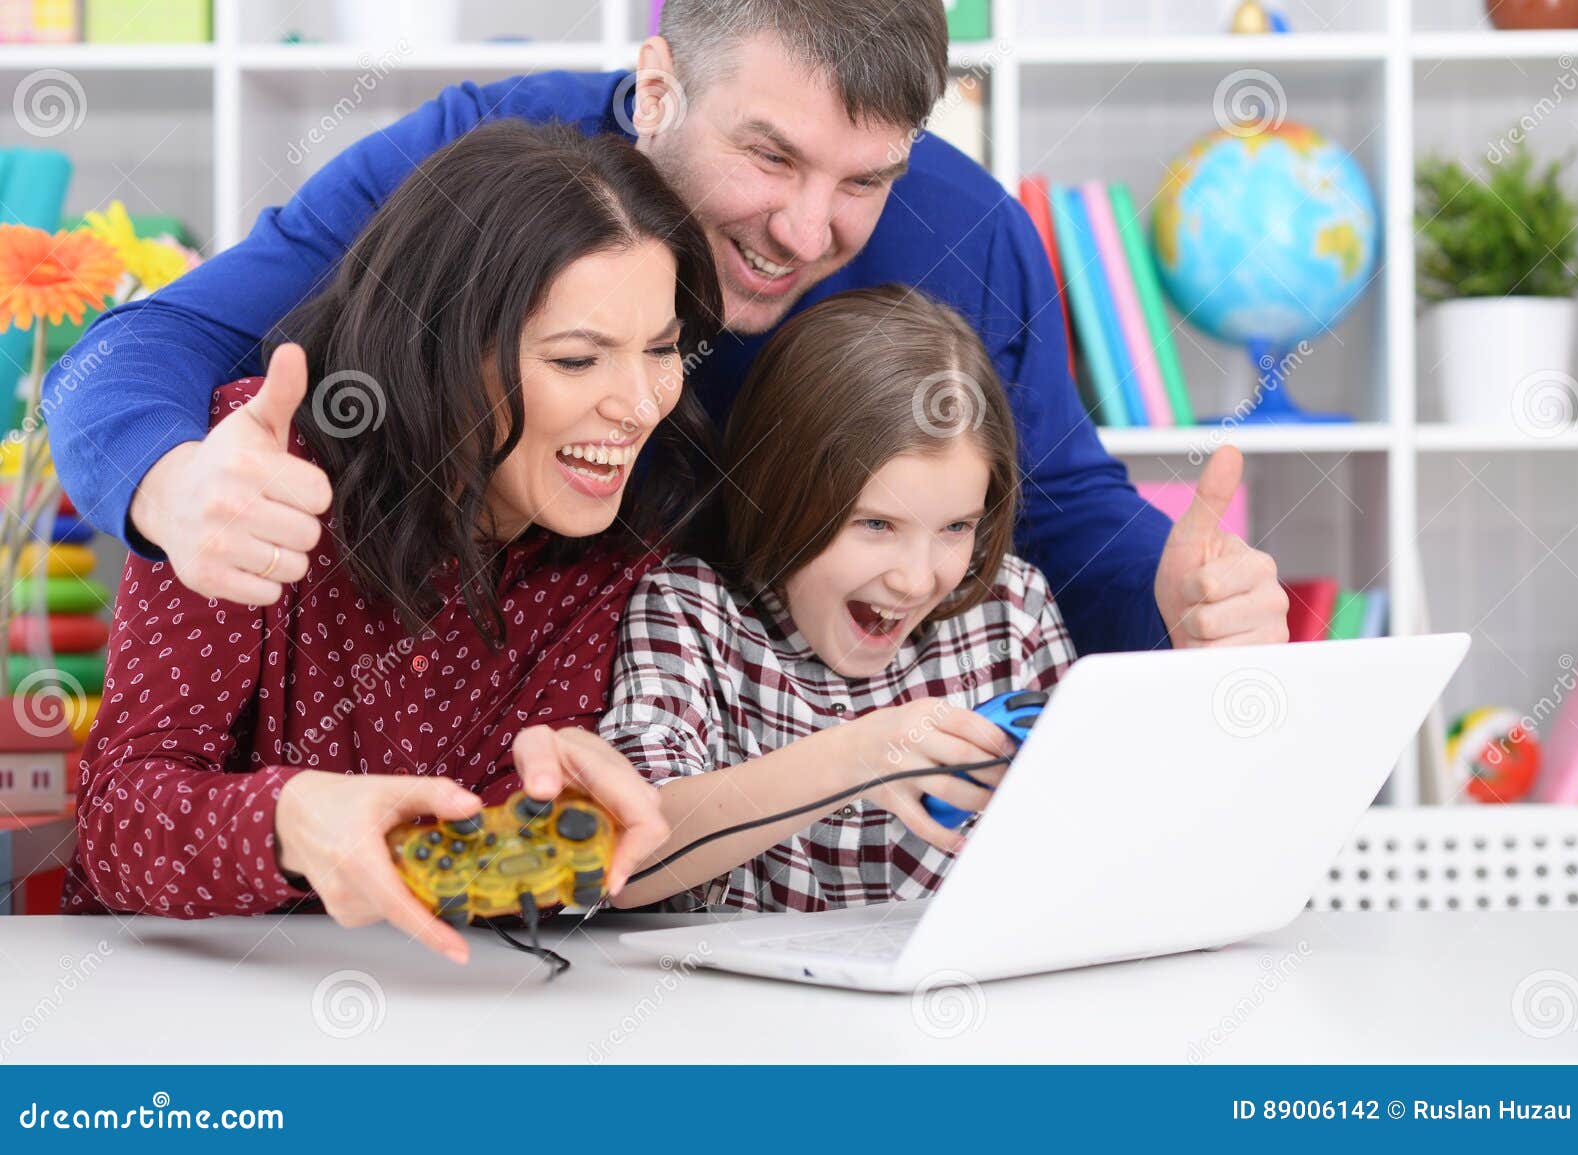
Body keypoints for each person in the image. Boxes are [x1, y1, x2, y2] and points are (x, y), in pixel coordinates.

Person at [45, 0, 1288, 661]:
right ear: (656, 86)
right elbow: (141, 346)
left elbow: (1061, 510)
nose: (809, 231)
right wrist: (166, 481)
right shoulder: (474, 171)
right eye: (769, 155)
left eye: (867, 179)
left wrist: (1170, 593)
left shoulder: (968, 234)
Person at [61, 121, 723, 963]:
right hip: (171, 1004)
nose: (637, 405)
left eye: (661, 349)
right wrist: (289, 821)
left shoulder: (616, 533)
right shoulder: (253, 473)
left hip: (436, 1015)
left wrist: (556, 814)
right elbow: (118, 823)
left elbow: (493, 856)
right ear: (442, 352)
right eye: (578, 359)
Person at [602, 287, 1087, 912]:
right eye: (876, 525)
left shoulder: (1011, 609)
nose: (915, 580)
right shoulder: (689, 612)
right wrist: (857, 756)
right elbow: (626, 857)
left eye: (956, 528)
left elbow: (1087, 834)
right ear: (780, 491)